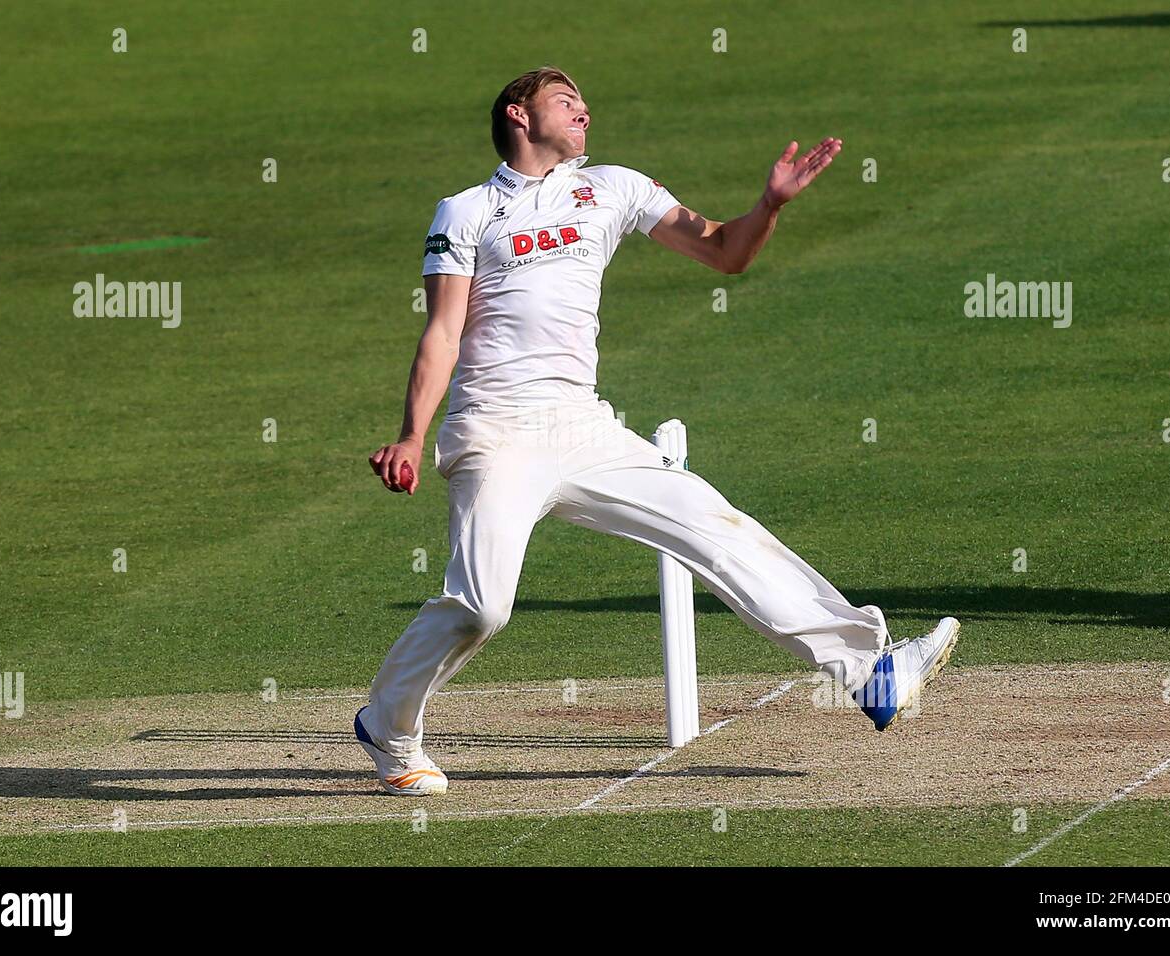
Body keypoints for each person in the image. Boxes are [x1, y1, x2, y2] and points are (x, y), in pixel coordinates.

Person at [359, 66, 958, 795]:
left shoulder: (613, 187)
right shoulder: (465, 211)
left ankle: (870, 672)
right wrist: (412, 435)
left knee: (715, 527)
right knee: (482, 606)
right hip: (498, 427)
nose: (584, 111)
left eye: (584, 103)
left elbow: (723, 252)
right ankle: (389, 727)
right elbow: (443, 331)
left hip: (583, 424)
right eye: (565, 101)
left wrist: (768, 205)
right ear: (518, 114)